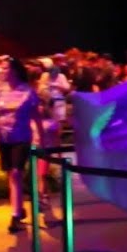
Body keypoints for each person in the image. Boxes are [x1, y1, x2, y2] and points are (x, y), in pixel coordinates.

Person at [0, 57, 43, 233]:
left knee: (16, 173)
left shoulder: (27, 91)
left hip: (21, 137)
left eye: (5, 68)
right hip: (3, 137)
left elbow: (36, 117)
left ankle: (15, 216)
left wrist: (41, 137)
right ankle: (18, 206)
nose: (2, 71)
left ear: (14, 70)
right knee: (11, 176)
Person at [34, 58, 71, 209]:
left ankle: (42, 195)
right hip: (39, 143)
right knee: (40, 171)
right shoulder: (40, 113)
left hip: (43, 144)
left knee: (41, 171)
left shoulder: (50, 120)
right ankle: (42, 195)